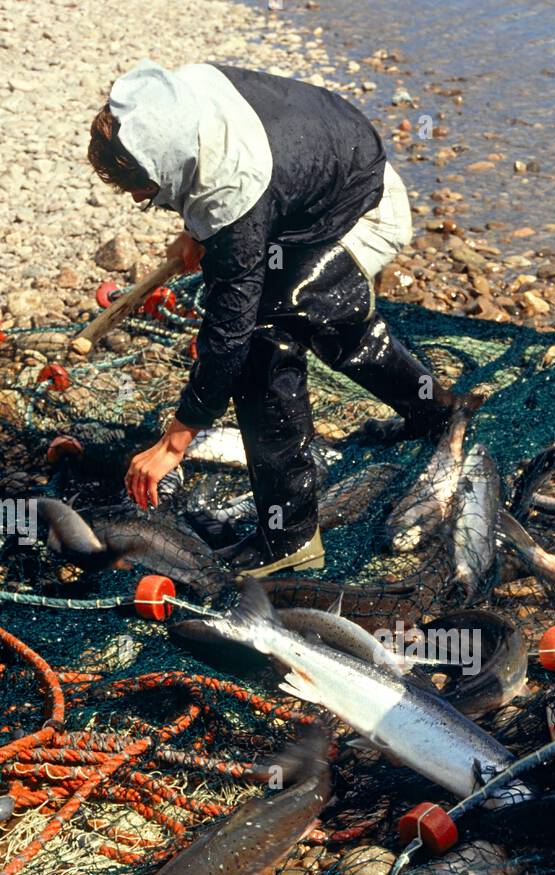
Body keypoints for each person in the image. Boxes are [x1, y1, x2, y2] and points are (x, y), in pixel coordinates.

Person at [88, 61, 478, 575]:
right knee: (323, 315)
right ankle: (437, 412)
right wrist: (202, 232)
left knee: (264, 338)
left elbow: (229, 334)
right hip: (309, 190)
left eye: (142, 190)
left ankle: (289, 537)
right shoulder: (175, 97)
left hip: (363, 211)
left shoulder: (232, 187)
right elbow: (223, 191)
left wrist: (174, 440)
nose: (141, 198)